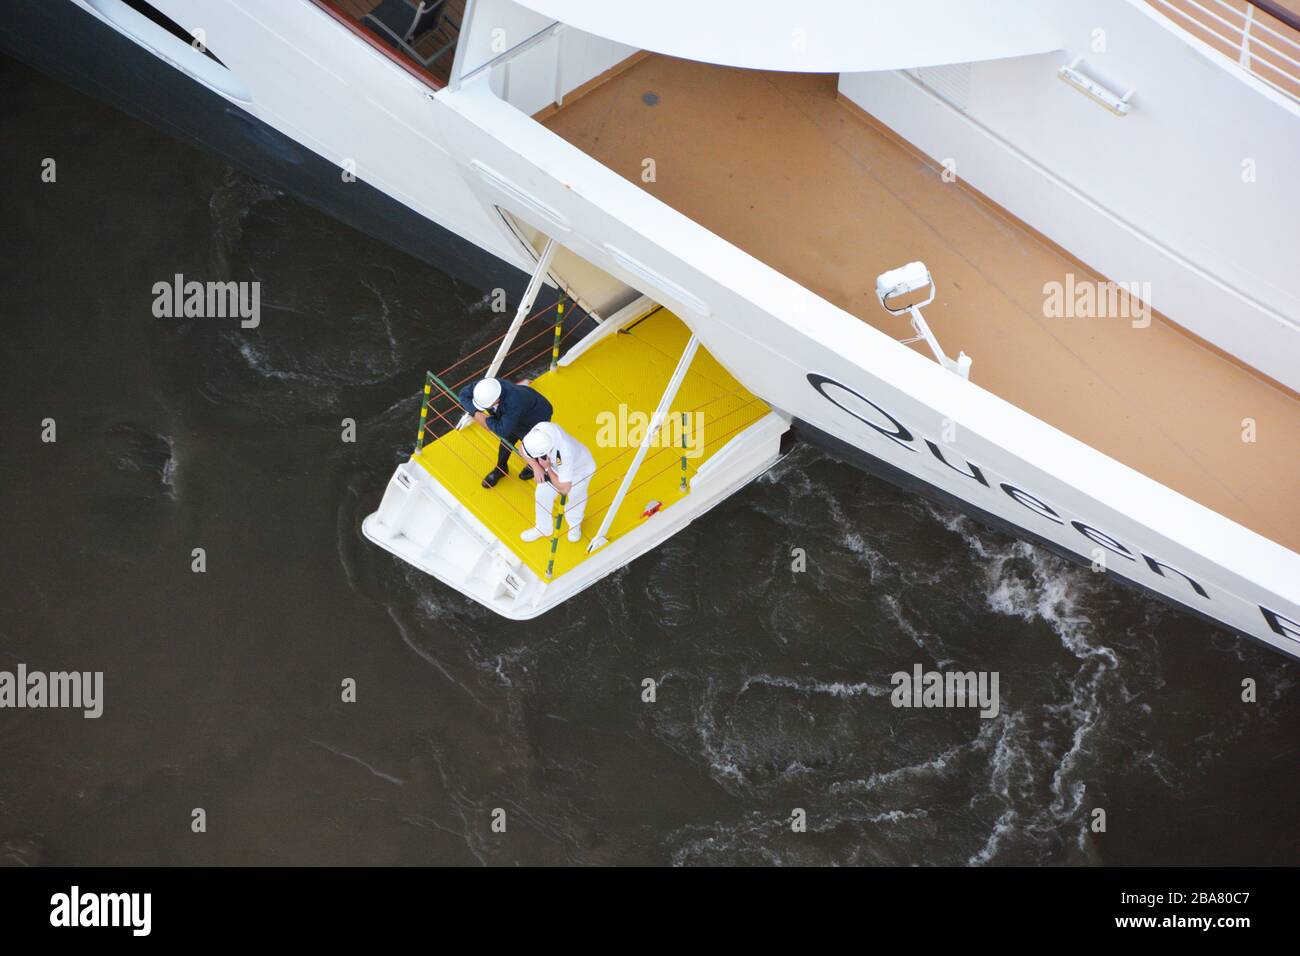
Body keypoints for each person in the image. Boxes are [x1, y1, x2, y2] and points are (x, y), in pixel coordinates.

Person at [456, 377, 553, 489]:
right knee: (506, 443)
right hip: (508, 417)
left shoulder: (514, 402)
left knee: (533, 445)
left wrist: (486, 420)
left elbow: (502, 430)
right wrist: (476, 413)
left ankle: (534, 465)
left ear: (496, 400)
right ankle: (501, 469)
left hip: (533, 419)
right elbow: (463, 394)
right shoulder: (486, 386)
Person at [519, 421, 596, 544]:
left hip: (578, 470)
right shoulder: (539, 432)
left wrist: (547, 468)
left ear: (545, 454)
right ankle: (543, 527)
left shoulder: (564, 453)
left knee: (575, 499)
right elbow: (522, 449)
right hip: (553, 466)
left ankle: (574, 525)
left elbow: (565, 488)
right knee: (541, 495)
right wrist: (536, 467)